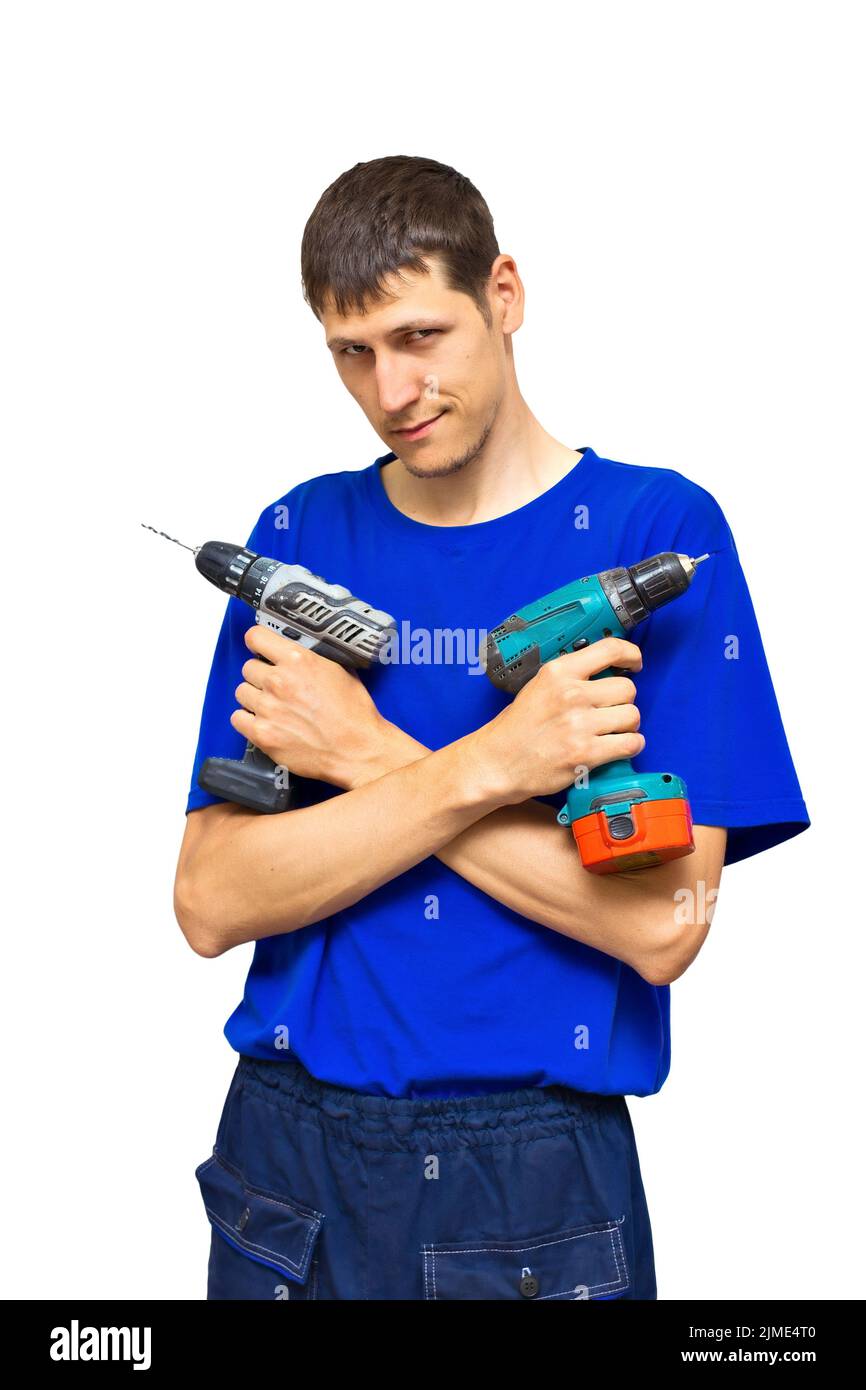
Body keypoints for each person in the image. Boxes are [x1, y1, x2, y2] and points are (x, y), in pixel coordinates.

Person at [174, 155, 810, 1301]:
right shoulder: (297, 539)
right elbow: (211, 899)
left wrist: (370, 755)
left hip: (533, 1191)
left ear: (503, 295)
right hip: (283, 1169)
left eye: (421, 336)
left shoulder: (653, 530)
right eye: (351, 352)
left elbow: (663, 922)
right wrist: (489, 768)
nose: (390, 389)